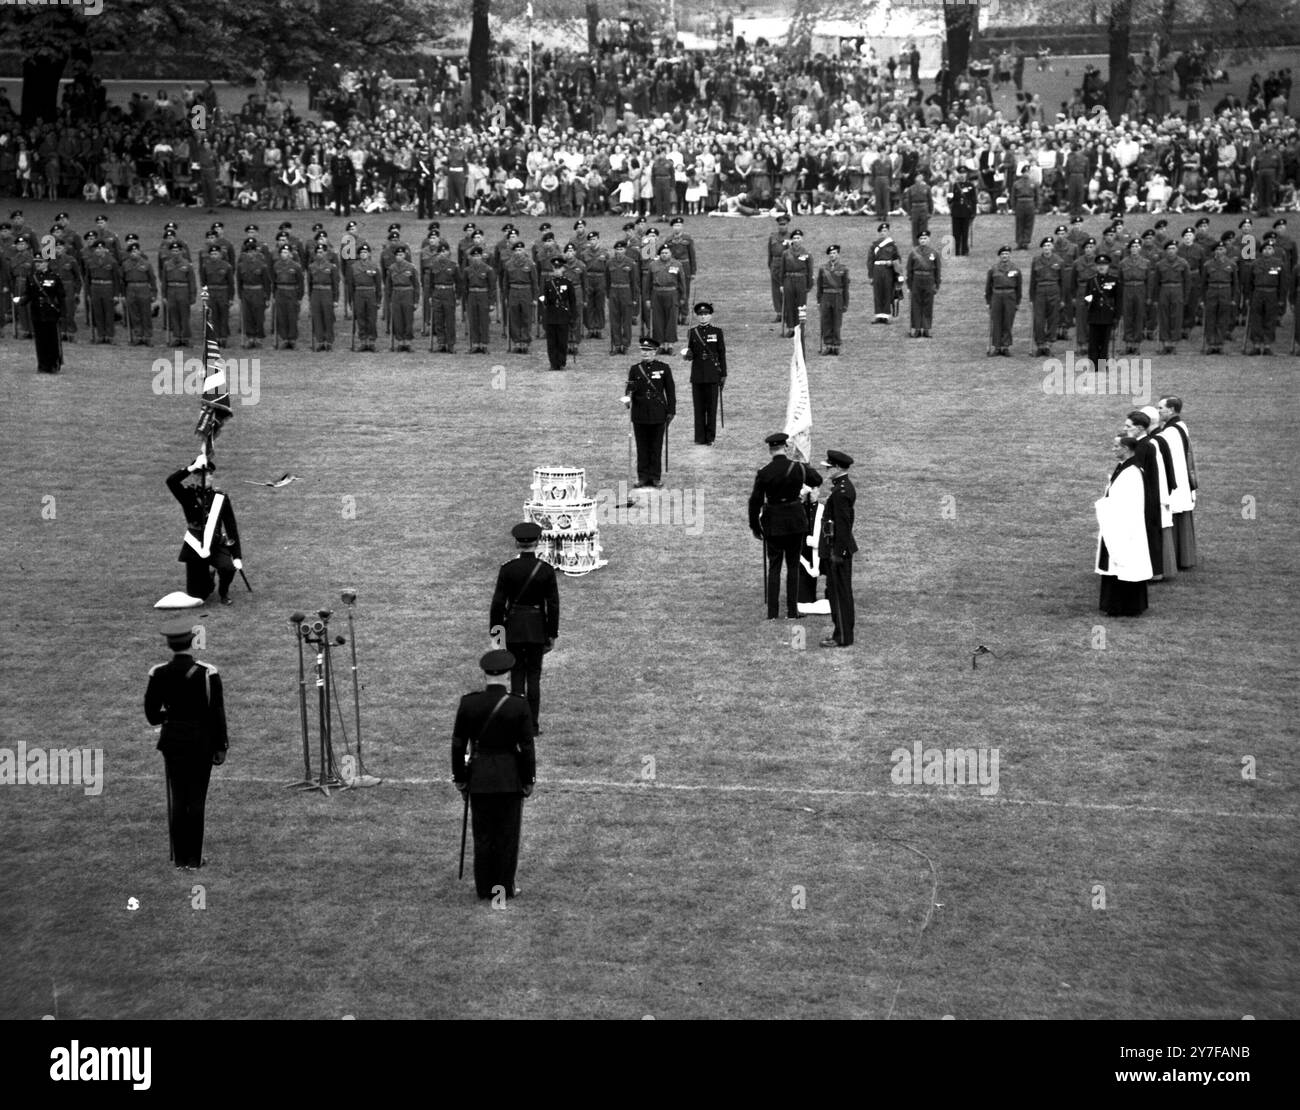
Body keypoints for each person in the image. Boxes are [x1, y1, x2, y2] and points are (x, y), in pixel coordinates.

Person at [144, 617, 229, 870]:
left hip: (173, 741)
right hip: (201, 741)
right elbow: (217, 712)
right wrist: (221, 745)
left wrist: (169, 717)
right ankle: (195, 859)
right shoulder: (207, 672)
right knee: (197, 799)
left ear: (170, 644)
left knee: (179, 798)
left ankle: (180, 858)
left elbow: (151, 715)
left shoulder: (158, 673)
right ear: (192, 642)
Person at [451, 649, 536, 901]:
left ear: (485, 675)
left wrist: (460, 777)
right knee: (507, 837)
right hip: (509, 778)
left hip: (479, 777)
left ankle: (484, 888)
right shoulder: (518, 704)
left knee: (484, 835)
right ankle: (503, 888)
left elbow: (458, 744)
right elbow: (527, 747)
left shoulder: (469, 703)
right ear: (508, 676)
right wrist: (529, 778)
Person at [489, 521, 560, 738]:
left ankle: (517, 726)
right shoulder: (546, 570)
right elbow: (553, 604)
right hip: (537, 628)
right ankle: (533, 726)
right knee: (534, 677)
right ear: (537, 543)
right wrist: (551, 633)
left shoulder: (507, 569)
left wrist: (497, 635)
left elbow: (498, 605)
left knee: (517, 677)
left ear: (517, 543)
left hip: (513, 629)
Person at [749, 432, 819, 621]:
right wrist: (804, 465)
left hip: (773, 523)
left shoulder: (764, 472)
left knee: (774, 567)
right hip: (795, 521)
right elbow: (817, 480)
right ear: (785, 448)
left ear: (770, 449)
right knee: (793, 567)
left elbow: (755, 502)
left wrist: (755, 527)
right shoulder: (797, 468)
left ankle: (773, 613)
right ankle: (791, 611)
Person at [166, 454, 243, 604]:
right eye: (201, 474)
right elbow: (171, 481)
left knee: (228, 568)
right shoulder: (187, 495)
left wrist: (237, 556)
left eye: (208, 474)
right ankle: (208, 578)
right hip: (195, 545)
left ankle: (224, 593)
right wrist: (191, 468)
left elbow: (231, 527)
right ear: (195, 477)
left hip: (214, 543)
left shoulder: (220, 498)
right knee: (198, 595)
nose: (206, 477)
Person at [1095, 435, 1152, 617]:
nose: (1113, 449)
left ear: (1126, 449)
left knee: (1123, 565)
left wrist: (1103, 505)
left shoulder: (1131, 473)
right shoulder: (1125, 468)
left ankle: (1122, 607)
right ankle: (1118, 606)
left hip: (1125, 528)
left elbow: (1124, 503)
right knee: (1120, 566)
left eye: (1116, 446)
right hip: (1120, 525)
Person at [623, 337, 676, 487]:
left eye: (648, 351)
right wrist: (627, 398)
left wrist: (671, 411)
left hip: (658, 412)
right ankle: (642, 476)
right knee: (642, 446)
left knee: (656, 446)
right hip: (639, 413)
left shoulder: (664, 368)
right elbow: (629, 390)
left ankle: (655, 477)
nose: (645, 353)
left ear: (655, 352)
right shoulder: (635, 369)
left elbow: (670, 391)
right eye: (642, 350)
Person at [819, 449, 857, 649]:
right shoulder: (841, 488)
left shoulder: (841, 492)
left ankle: (842, 636)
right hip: (836, 547)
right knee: (838, 593)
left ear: (838, 468)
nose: (826, 471)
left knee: (839, 594)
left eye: (829, 467)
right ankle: (842, 632)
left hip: (837, 549)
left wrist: (838, 553)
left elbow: (843, 525)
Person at [1156, 396, 1197, 569]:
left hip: (1176, 482)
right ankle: (1185, 558)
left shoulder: (1170, 432)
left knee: (1172, 518)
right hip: (1182, 480)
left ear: (1171, 410)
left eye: (1160, 408)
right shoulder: (1180, 426)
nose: (1158, 412)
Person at [684, 301, 726, 445]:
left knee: (711, 408)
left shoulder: (717, 332)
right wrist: (688, 354)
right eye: (700, 314)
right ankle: (699, 437)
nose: (703, 317)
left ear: (710, 316)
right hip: (697, 375)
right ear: (696, 316)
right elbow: (690, 355)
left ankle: (710, 437)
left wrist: (723, 374)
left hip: (713, 374)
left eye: (706, 314)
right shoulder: (692, 332)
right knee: (699, 408)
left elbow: (722, 354)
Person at [19, 255, 65, 372]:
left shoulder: (54, 277)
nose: (37, 264)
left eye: (40, 262)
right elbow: (28, 294)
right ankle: (42, 364)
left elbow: (61, 296)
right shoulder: (32, 277)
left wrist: (63, 313)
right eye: (36, 262)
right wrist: (21, 301)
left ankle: (53, 364)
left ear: (46, 263)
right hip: (37, 312)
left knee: (52, 340)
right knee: (40, 340)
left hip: (50, 312)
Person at [540, 256, 577, 370]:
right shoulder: (547, 283)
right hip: (551, 314)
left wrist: (573, 316)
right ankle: (553, 363)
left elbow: (572, 301)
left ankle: (561, 362)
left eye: (559, 268)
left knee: (562, 341)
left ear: (563, 269)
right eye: (555, 268)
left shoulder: (568, 283)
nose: (557, 270)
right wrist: (543, 302)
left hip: (563, 314)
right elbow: (543, 297)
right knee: (551, 342)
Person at [1083, 252, 1120, 366]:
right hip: (1094, 314)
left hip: (1107, 314)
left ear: (1108, 266)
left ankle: (1102, 364)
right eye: (1099, 264)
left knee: (1105, 341)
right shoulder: (1091, 280)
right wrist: (1088, 300)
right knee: (1093, 341)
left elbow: (1118, 300)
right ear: (1096, 266)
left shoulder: (1114, 280)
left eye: (1104, 264)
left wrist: (1116, 316)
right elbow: (1086, 296)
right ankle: (1093, 364)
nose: (1101, 267)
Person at [1030, 237, 1065, 355]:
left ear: (1053, 247)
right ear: (1042, 248)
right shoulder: (1036, 260)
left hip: (1054, 290)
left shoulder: (1059, 261)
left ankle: (1048, 344)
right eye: (1045, 246)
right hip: (1040, 290)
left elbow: (1063, 281)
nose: (1047, 248)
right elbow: (1032, 281)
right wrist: (1031, 297)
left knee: (1053, 318)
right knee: (1039, 319)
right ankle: (1040, 344)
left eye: (1049, 245)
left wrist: (1062, 298)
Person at [985, 245, 1021, 356]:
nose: (1005, 256)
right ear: (1000, 256)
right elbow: (988, 286)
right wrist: (988, 301)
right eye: (1003, 254)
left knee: (1008, 322)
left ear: (1009, 255)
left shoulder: (1015, 269)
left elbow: (1019, 287)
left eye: (1007, 254)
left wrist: (1018, 302)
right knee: (996, 321)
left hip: (1010, 296)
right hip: (997, 296)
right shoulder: (993, 269)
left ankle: (1005, 346)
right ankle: (996, 346)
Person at [1200, 240, 1236, 354]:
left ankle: (1219, 344)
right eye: (1217, 249)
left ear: (1225, 250)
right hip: (1212, 292)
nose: (1220, 251)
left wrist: (1235, 298)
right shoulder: (1207, 265)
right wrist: (1202, 299)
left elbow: (1235, 283)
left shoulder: (1231, 264)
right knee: (1210, 318)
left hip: (1225, 292)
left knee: (1223, 319)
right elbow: (1203, 284)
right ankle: (1211, 343)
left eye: (1222, 249)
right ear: (1214, 251)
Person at [1154, 239, 1189, 354]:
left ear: (1177, 250)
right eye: (1169, 249)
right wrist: (1156, 297)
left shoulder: (1183, 263)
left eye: (1173, 248)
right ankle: (1165, 344)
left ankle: (1173, 344)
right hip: (1164, 289)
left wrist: (1185, 296)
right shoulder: (1160, 264)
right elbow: (1156, 282)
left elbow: (1187, 282)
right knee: (1164, 317)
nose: (1171, 251)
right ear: (1165, 251)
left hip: (1177, 289)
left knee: (1176, 317)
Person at [606, 239, 640, 354]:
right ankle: (616, 344)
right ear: (614, 250)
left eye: (621, 249)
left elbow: (634, 282)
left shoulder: (631, 263)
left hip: (626, 292)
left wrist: (635, 298)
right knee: (614, 320)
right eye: (617, 249)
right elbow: (607, 281)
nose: (619, 251)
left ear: (625, 250)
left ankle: (625, 345)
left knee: (626, 321)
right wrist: (608, 296)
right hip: (614, 292)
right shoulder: (609, 263)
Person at [778, 229, 813, 338]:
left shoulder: (807, 253)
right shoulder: (786, 253)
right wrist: (781, 284)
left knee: (801, 305)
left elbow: (810, 270)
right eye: (794, 238)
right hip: (789, 280)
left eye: (798, 238)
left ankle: (801, 328)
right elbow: (782, 270)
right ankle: (791, 328)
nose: (796, 240)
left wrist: (809, 285)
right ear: (791, 240)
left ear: (802, 239)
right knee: (789, 304)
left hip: (801, 280)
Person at [906, 229, 940, 337]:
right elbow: (909, 270)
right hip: (916, 279)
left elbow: (937, 270)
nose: (923, 240)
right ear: (918, 240)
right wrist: (909, 285)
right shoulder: (913, 253)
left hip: (929, 279)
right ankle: (916, 329)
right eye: (921, 238)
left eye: (925, 238)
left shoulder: (934, 253)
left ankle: (926, 329)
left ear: (929, 239)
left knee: (928, 304)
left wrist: (937, 284)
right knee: (915, 304)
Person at [816, 245, 849, 355]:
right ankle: (828, 345)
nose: (832, 255)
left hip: (838, 297)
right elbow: (819, 286)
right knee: (826, 321)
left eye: (834, 253)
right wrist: (819, 300)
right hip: (826, 296)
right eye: (830, 253)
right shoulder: (823, 268)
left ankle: (836, 345)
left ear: (838, 254)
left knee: (837, 322)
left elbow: (845, 287)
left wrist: (845, 303)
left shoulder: (843, 269)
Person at [348, 243, 382, 351]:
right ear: (359, 255)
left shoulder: (374, 266)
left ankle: (372, 342)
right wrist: (351, 300)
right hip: (358, 294)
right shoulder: (353, 267)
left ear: (369, 254)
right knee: (361, 318)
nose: (363, 254)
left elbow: (378, 284)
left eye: (365, 252)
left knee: (371, 319)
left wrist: (378, 299)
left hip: (370, 293)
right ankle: (363, 342)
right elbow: (350, 285)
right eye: (361, 252)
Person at [868, 222, 901, 324]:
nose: (883, 233)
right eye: (881, 231)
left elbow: (897, 259)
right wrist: (871, 275)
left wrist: (892, 264)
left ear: (888, 232)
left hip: (888, 270)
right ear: (879, 233)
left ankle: (886, 315)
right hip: (877, 269)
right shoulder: (874, 245)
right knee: (877, 292)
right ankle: (878, 315)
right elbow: (870, 260)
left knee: (887, 291)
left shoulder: (892, 245)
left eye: (885, 231)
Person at [948, 168, 978, 256]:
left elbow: (974, 200)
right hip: (956, 212)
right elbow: (950, 200)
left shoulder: (970, 185)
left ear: (966, 174)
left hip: (966, 212)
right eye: (960, 173)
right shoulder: (954, 185)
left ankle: (964, 250)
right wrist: (949, 194)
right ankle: (957, 251)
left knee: (965, 233)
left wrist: (974, 212)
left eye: (964, 173)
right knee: (956, 233)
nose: (962, 175)